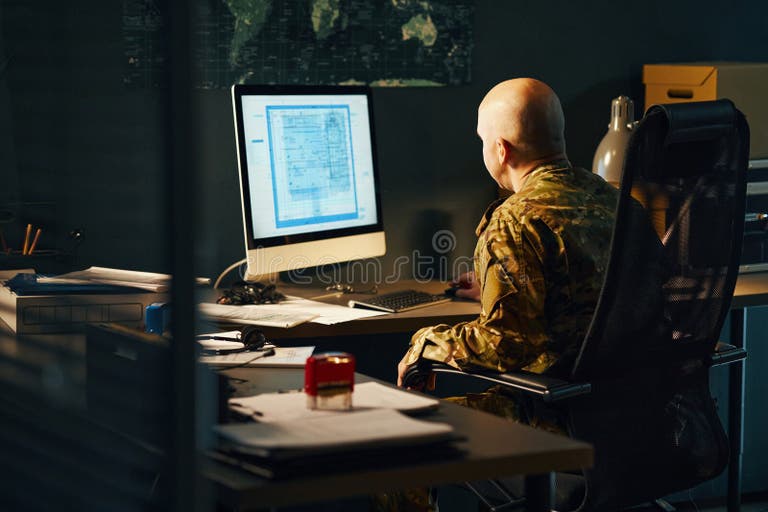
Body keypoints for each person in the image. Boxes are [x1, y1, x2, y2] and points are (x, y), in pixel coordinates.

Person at [397, 78, 621, 397]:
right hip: (628, 408)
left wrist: (425, 342)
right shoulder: (606, 195)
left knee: (420, 423)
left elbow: (506, 346)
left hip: (550, 413)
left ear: (502, 150)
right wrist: (501, 286)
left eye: (483, 141)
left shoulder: (514, 220)